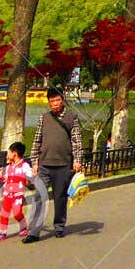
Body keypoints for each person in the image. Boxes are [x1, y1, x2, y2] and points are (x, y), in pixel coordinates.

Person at [24, 87, 83, 243]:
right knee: (38, 196)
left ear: (62, 100)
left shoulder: (71, 117)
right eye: (52, 101)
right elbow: (37, 140)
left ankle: (59, 226)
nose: (55, 104)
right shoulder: (44, 117)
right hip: (44, 164)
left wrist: (77, 160)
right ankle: (34, 232)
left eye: (57, 100)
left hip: (63, 165)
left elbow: (76, 140)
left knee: (60, 197)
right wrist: (34, 162)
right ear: (48, 102)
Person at [0, 142, 34, 241]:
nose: (7, 155)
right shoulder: (9, 166)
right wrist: (2, 176)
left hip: (18, 195)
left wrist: (33, 173)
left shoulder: (24, 166)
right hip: (7, 194)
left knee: (17, 213)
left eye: (9, 153)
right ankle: (3, 232)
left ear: (14, 153)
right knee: (4, 213)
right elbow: (6, 178)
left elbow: (30, 175)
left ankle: (23, 227)